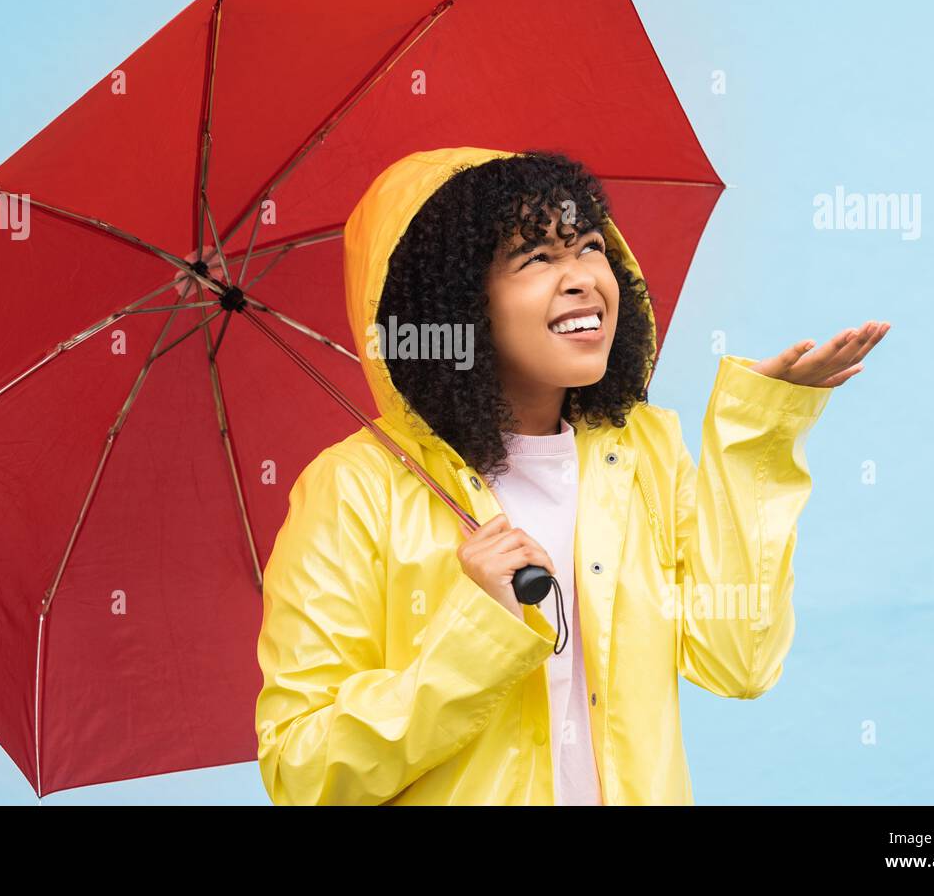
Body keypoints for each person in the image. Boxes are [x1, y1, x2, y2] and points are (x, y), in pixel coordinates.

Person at [253, 146, 888, 805]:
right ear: (458, 303)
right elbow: (302, 774)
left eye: (588, 245)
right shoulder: (354, 490)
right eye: (537, 258)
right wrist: (478, 630)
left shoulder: (642, 451)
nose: (584, 276)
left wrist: (757, 438)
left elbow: (738, 660)